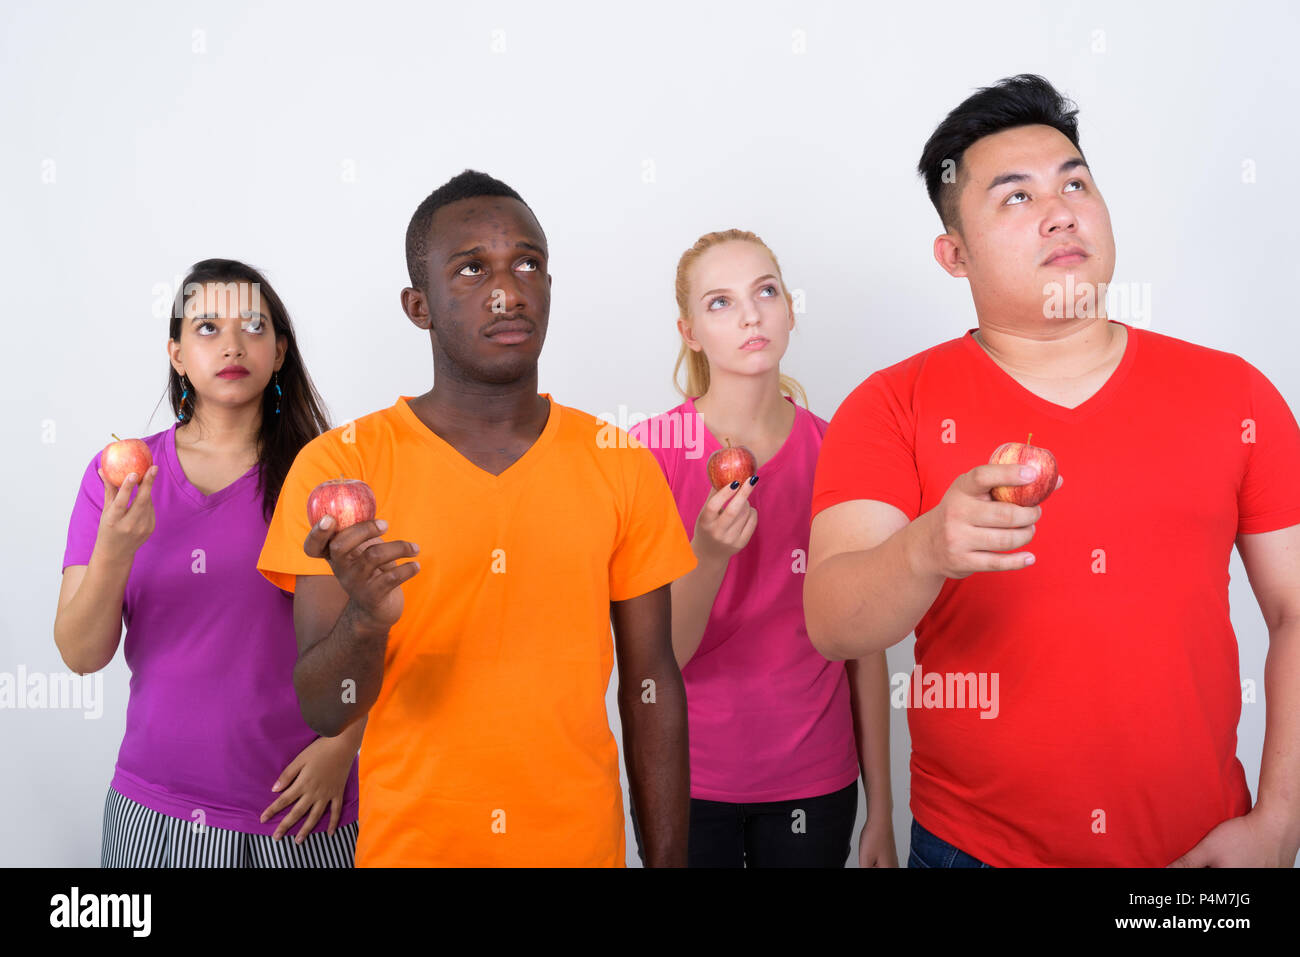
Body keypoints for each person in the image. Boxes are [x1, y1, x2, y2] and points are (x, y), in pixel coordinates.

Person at [805, 74, 1300, 867]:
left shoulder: (1234, 391)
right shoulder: (891, 403)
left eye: (1076, 182)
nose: (1061, 210)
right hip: (972, 851)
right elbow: (834, 621)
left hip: (1201, 853)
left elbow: (1295, 611)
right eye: (1015, 197)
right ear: (953, 254)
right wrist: (927, 546)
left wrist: (1280, 822)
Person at [255, 170, 698, 867]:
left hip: (581, 849)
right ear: (419, 305)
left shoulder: (619, 460)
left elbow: (653, 683)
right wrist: (366, 617)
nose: (507, 290)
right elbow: (325, 708)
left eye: (527, 263)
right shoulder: (340, 467)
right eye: (471, 268)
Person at [56, 259, 360, 866]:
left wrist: (342, 749)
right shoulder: (119, 477)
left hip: (303, 810)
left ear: (278, 353)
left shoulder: (322, 478)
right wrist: (116, 549)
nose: (231, 345)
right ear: (176, 355)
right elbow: (82, 655)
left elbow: (373, 629)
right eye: (207, 329)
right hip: (156, 812)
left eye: (253, 327)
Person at [626, 229, 896, 867]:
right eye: (720, 302)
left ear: (789, 310)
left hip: (817, 779)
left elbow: (864, 642)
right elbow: (659, 658)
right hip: (688, 778)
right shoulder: (649, 454)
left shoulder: (839, 452)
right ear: (690, 331)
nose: (750, 315)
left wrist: (883, 808)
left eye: (765, 292)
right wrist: (710, 554)